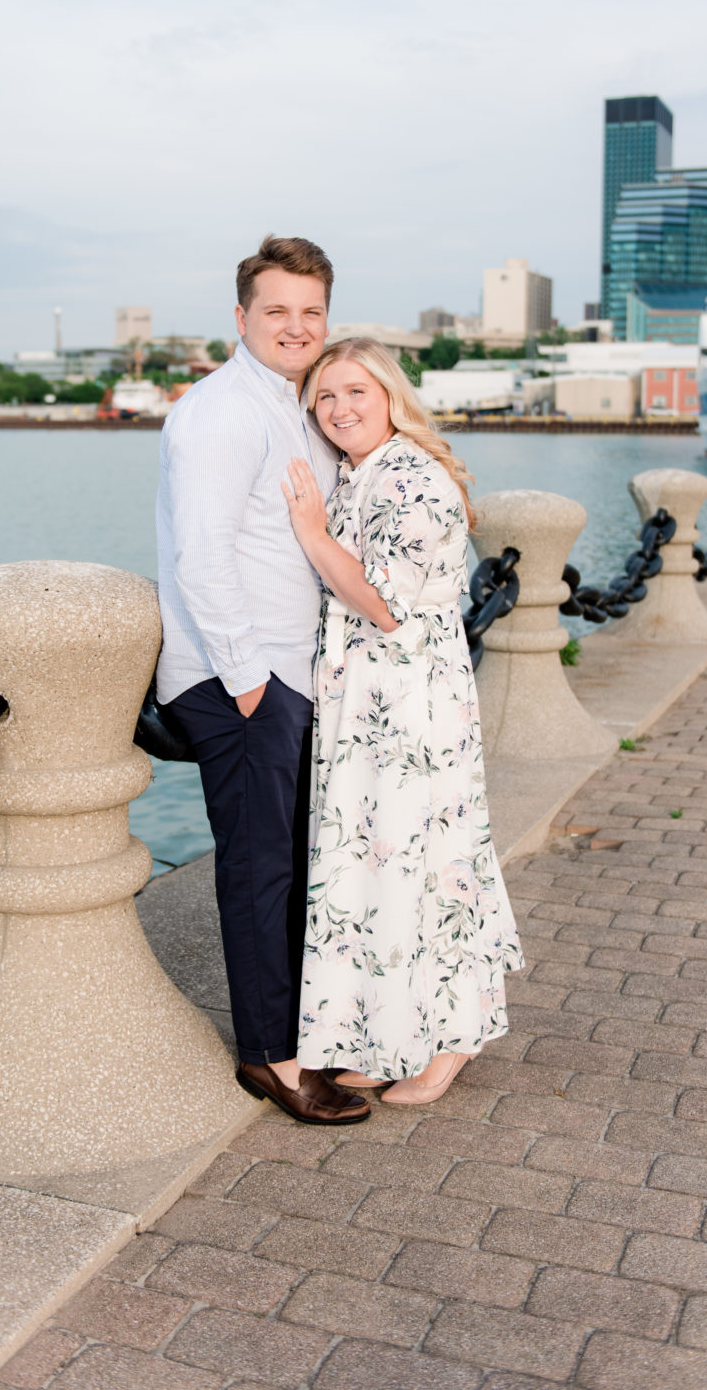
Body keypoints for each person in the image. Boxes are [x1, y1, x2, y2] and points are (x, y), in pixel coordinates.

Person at [155, 236, 370, 1126]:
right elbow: (200, 557)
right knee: (258, 872)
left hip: (294, 673)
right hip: (239, 678)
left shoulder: (294, 403)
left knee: (297, 866)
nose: (296, 325)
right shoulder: (220, 413)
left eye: (311, 311)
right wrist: (249, 684)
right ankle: (271, 1059)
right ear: (241, 317)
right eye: (276, 310)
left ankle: (303, 1034)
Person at [284, 338, 524, 1105]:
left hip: (409, 702)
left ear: (391, 395)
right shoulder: (359, 472)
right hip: (366, 703)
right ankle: (392, 1034)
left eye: (356, 391)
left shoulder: (413, 479)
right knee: (380, 866)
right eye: (325, 396)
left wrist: (312, 534)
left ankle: (455, 1038)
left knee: (428, 861)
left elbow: (385, 604)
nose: (339, 408)